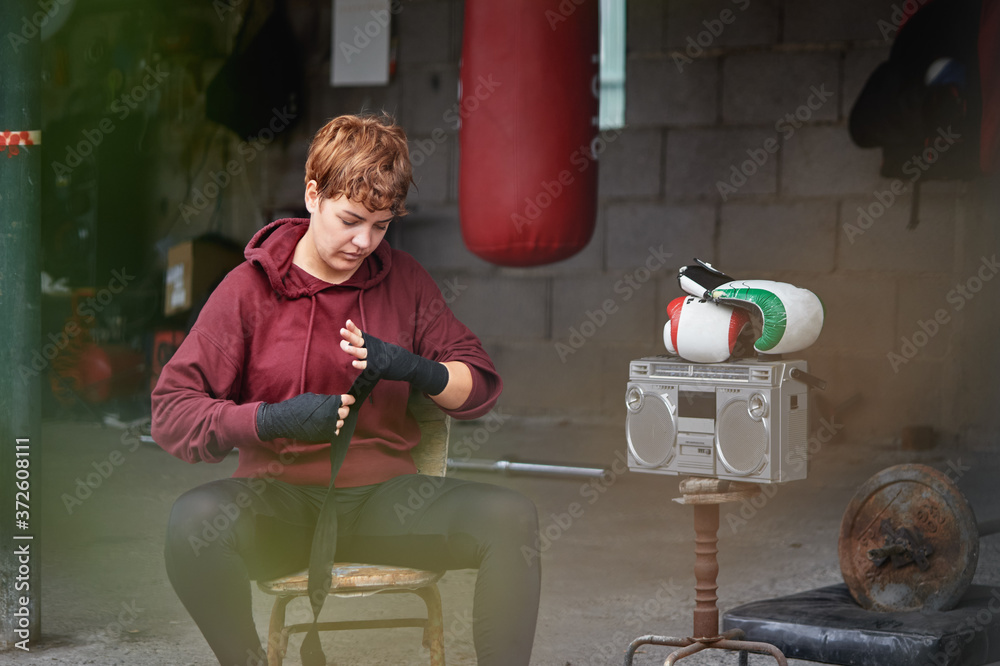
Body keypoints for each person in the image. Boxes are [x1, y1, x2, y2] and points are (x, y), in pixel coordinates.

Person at [151, 113, 540, 666]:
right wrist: (272, 420)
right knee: (193, 522)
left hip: (386, 502)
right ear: (313, 194)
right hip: (278, 505)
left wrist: (412, 367)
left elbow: (480, 390)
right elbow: (171, 414)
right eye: (351, 219)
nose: (364, 242)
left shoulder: (403, 280)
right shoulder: (248, 291)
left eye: (381, 226)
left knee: (511, 518)